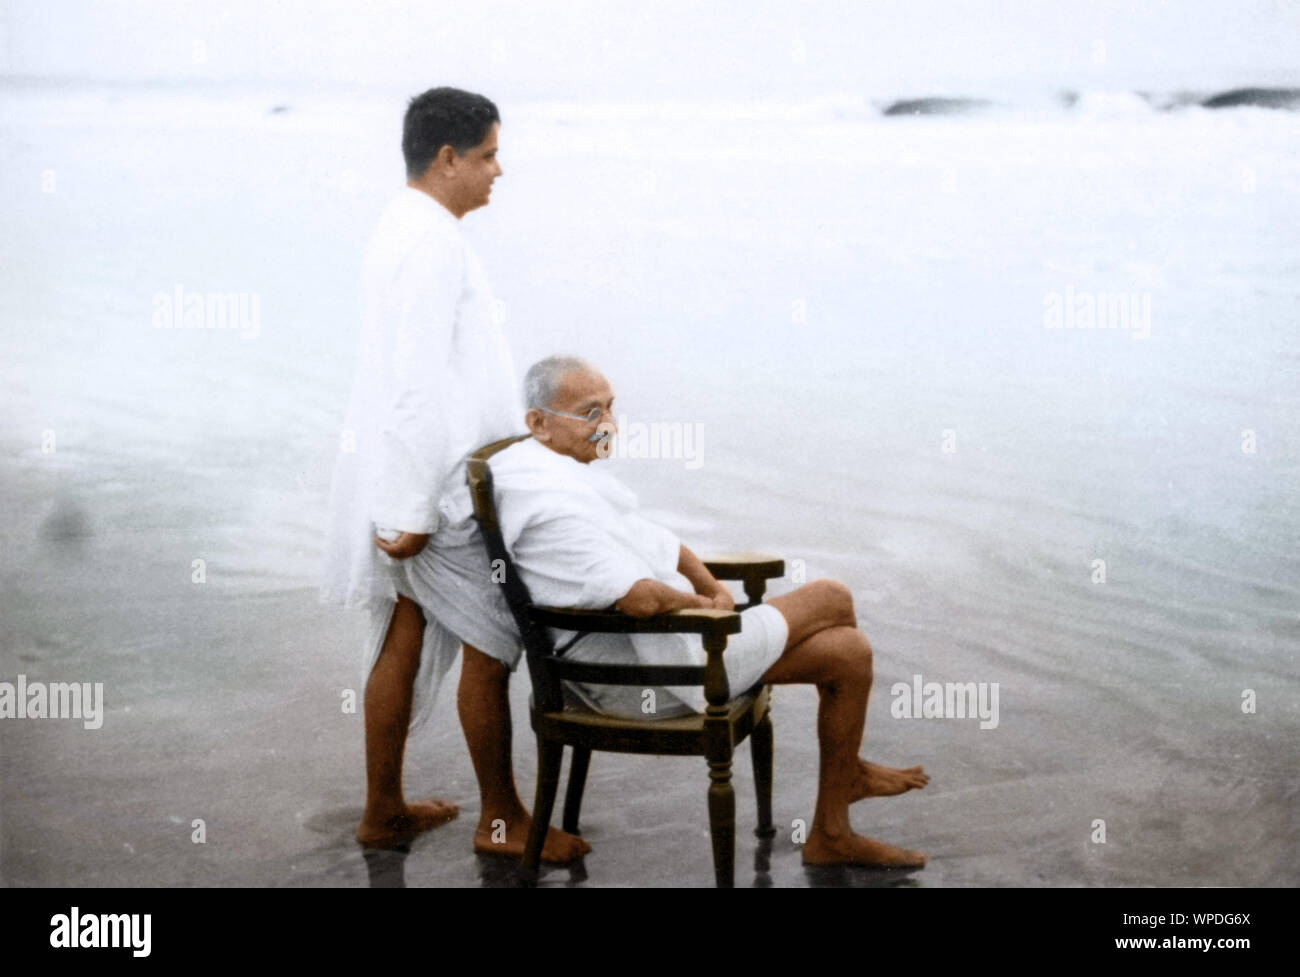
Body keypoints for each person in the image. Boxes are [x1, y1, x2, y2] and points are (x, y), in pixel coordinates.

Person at [404, 356, 930, 868]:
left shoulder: (553, 471)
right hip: (637, 680)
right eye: (591, 413)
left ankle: (833, 827)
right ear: (538, 424)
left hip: (654, 651)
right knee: (831, 597)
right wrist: (706, 607)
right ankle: (846, 786)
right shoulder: (553, 504)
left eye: (611, 408)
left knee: (848, 652)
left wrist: (713, 588)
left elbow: (659, 543)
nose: (608, 425)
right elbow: (639, 598)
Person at [320, 88, 588, 862]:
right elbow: (416, 379)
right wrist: (410, 511)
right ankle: (500, 819)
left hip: (420, 474)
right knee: (492, 641)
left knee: (404, 633)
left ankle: (384, 808)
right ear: (448, 158)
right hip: (433, 487)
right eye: (488, 155)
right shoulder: (430, 240)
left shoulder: (407, 226)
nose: (499, 171)